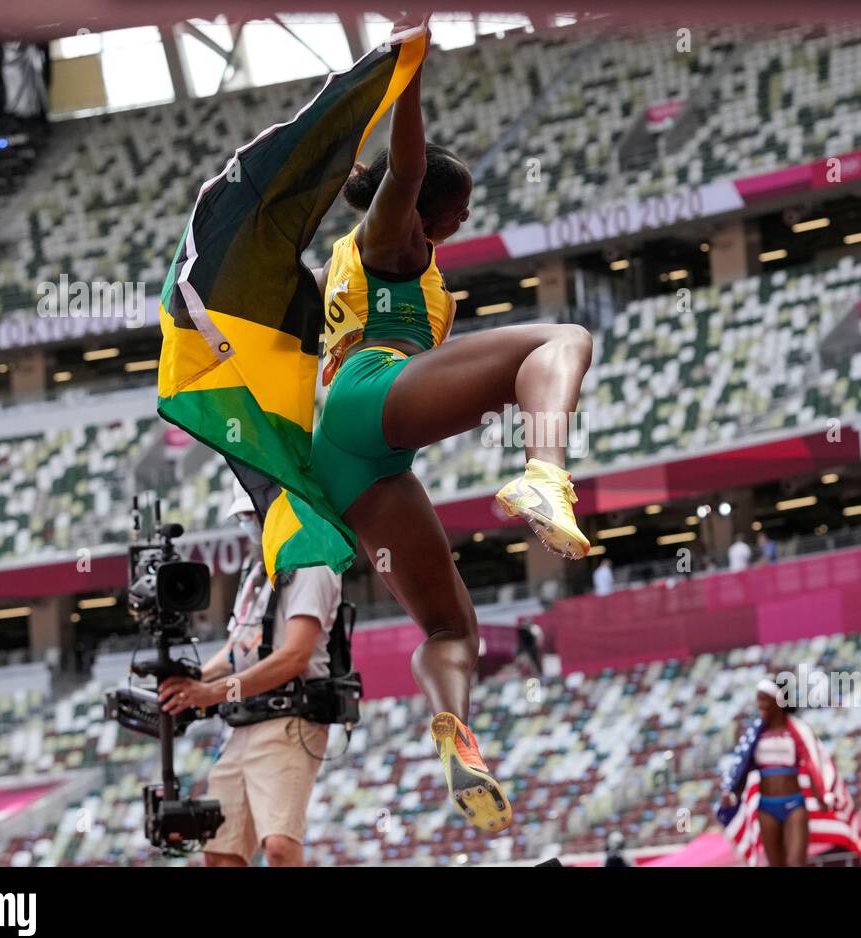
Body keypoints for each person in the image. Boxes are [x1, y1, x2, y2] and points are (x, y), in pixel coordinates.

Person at [308, 16, 593, 833]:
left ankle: (455, 734)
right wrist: (409, 69)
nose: (463, 225)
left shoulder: (388, 253)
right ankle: (545, 472)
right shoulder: (391, 238)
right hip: (373, 393)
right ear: (428, 208)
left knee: (449, 624)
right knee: (562, 338)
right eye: (459, 211)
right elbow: (405, 166)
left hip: (362, 457)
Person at [157, 484, 342, 867]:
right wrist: (191, 684)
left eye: (252, 515)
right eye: (243, 517)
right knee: (220, 851)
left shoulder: (312, 561)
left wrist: (211, 693)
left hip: (291, 717)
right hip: (242, 722)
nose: (248, 524)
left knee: (278, 844)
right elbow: (235, 649)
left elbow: (294, 656)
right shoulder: (256, 571)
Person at [717, 678, 861, 867]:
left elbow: (812, 763)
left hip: (794, 804)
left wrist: (822, 795)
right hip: (766, 807)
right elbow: (742, 769)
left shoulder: (798, 729)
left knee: (797, 862)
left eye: (763, 700)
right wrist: (733, 794)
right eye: (758, 699)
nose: (759, 705)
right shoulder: (754, 733)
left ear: (777, 701)